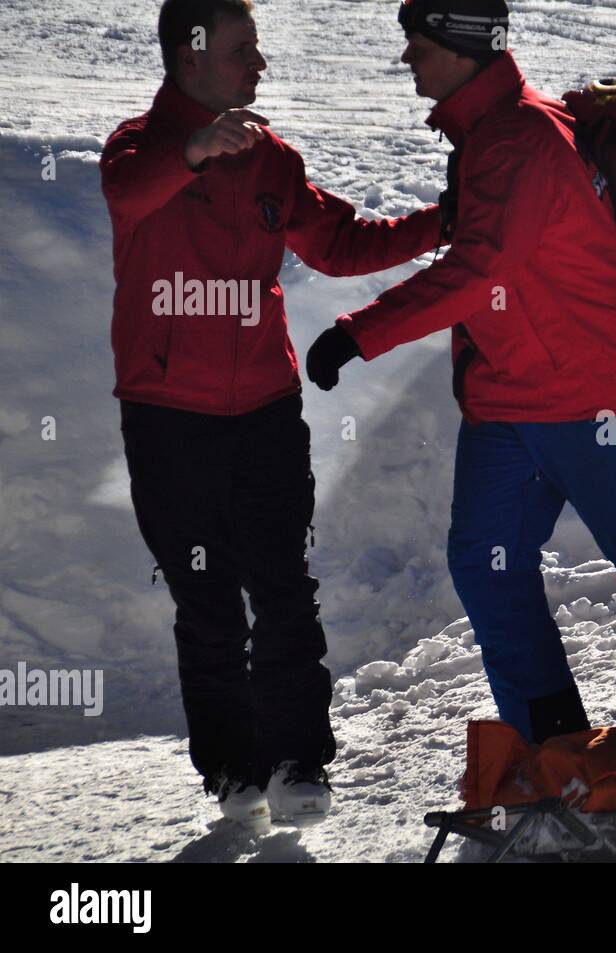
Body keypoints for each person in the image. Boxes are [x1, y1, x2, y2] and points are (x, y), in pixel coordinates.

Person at [306, 0, 616, 743]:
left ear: (462, 45)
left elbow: (479, 271)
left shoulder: (521, 136)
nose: (408, 58)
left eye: (419, 43)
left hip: (589, 395)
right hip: (508, 399)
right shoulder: (489, 133)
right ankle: (550, 740)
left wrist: (358, 334)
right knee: (485, 560)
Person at [101, 0, 443, 828]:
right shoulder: (137, 150)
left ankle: (300, 763)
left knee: (283, 589)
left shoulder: (269, 159)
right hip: (167, 421)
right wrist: (190, 150)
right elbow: (132, 189)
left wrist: (449, 221)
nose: (260, 65)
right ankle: (231, 770)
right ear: (190, 57)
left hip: (263, 414)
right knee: (207, 600)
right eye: (242, 49)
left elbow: (345, 244)